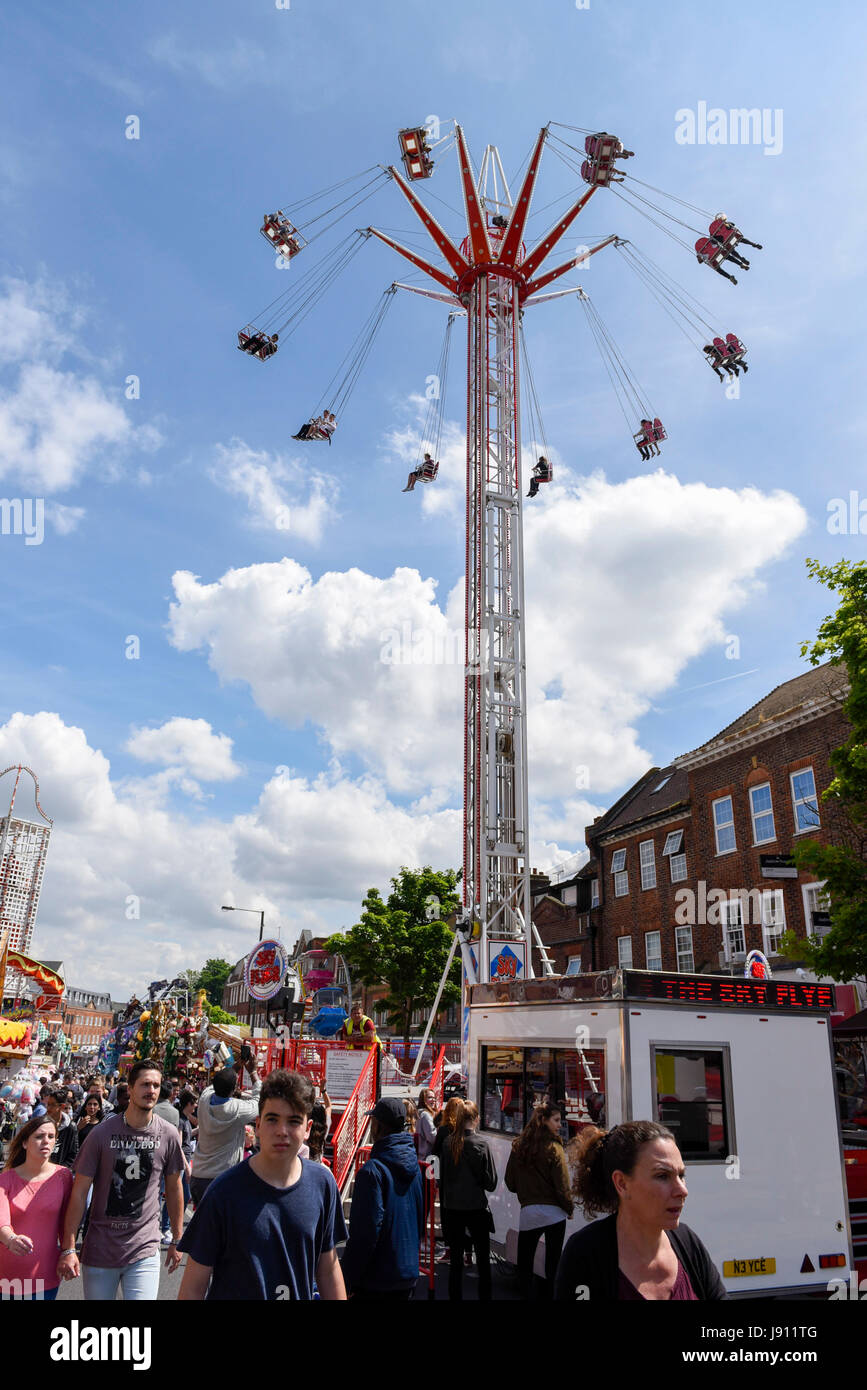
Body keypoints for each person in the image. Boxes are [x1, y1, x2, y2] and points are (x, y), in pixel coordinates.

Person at [177, 1069, 346, 1300]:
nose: (282, 1131)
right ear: (257, 1125)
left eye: (294, 1121)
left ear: (307, 1129)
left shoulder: (323, 1183)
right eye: (272, 1119)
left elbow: (327, 1270)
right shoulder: (223, 1192)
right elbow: (193, 1287)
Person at [554, 1120, 727, 1301]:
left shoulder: (688, 1242)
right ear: (622, 1184)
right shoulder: (585, 1253)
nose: (683, 1191)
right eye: (662, 1176)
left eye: (681, 1176)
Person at [57, 1059, 185, 1301]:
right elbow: (79, 1192)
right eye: (145, 1084)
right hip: (100, 1249)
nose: (152, 1091)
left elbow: (174, 1187)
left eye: (156, 1085)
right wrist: (68, 1247)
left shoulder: (167, 1134)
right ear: (131, 1089)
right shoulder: (101, 1134)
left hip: (144, 1249)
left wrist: (177, 1238)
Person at [341, 1097, 424, 1300]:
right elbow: (421, 1218)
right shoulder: (416, 1167)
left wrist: (346, 1279)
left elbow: (364, 1233)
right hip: (408, 1272)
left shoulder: (372, 1171)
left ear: (377, 1125)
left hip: (376, 1278)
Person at [0, 1115, 74, 1301]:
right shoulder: (5, 1179)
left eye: (51, 1136)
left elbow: (68, 1223)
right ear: (25, 1143)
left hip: (45, 1274)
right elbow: (1, 1221)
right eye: (39, 1136)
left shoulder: (63, 1176)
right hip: (6, 1275)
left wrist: (69, 1252)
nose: (46, 1141)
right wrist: (11, 1239)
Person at [505, 1104, 573, 1299]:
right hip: (554, 1213)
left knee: (524, 1264)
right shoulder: (554, 1147)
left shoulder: (519, 1146)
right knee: (553, 1264)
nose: (560, 1125)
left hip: (529, 1211)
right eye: (557, 1120)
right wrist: (568, 1207)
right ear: (544, 1121)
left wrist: (526, 1191)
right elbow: (562, 1185)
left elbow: (510, 1182)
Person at [432, 1098, 497, 1301]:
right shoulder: (481, 1144)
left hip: (453, 1208)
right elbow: (491, 1182)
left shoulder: (447, 1143)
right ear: (476, 1119)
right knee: (483, 1261)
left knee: (456, 1264)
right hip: (476, 1207)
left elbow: (441, 1176)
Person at [189, 1053, 261, 1207]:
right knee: (222, 1229)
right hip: (222, 1179)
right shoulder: (237, 1109)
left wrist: (236, 1066)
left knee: (203, 1226)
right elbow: (258, 1101)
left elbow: (216, 1084)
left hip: (198, 1175)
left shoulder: (204, 1100)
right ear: (234, 1089)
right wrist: (253, 1072)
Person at [44, 1088, 79, 1170]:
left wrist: (60, 1170)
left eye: (52, 1105)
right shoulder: (41, 1125)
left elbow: (73, 1154)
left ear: (62, 1106)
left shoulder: (71, 1128)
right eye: (48, 1104)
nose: (48, 1108)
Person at [416, 1089, 438, 1163]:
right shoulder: (425, 1115)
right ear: (423, 1099)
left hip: (420, 1156)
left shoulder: (418, 1112)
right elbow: (433, 1138)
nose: (433, 1100)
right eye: (430, 1097)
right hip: (426, 1158)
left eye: (434, 1098)